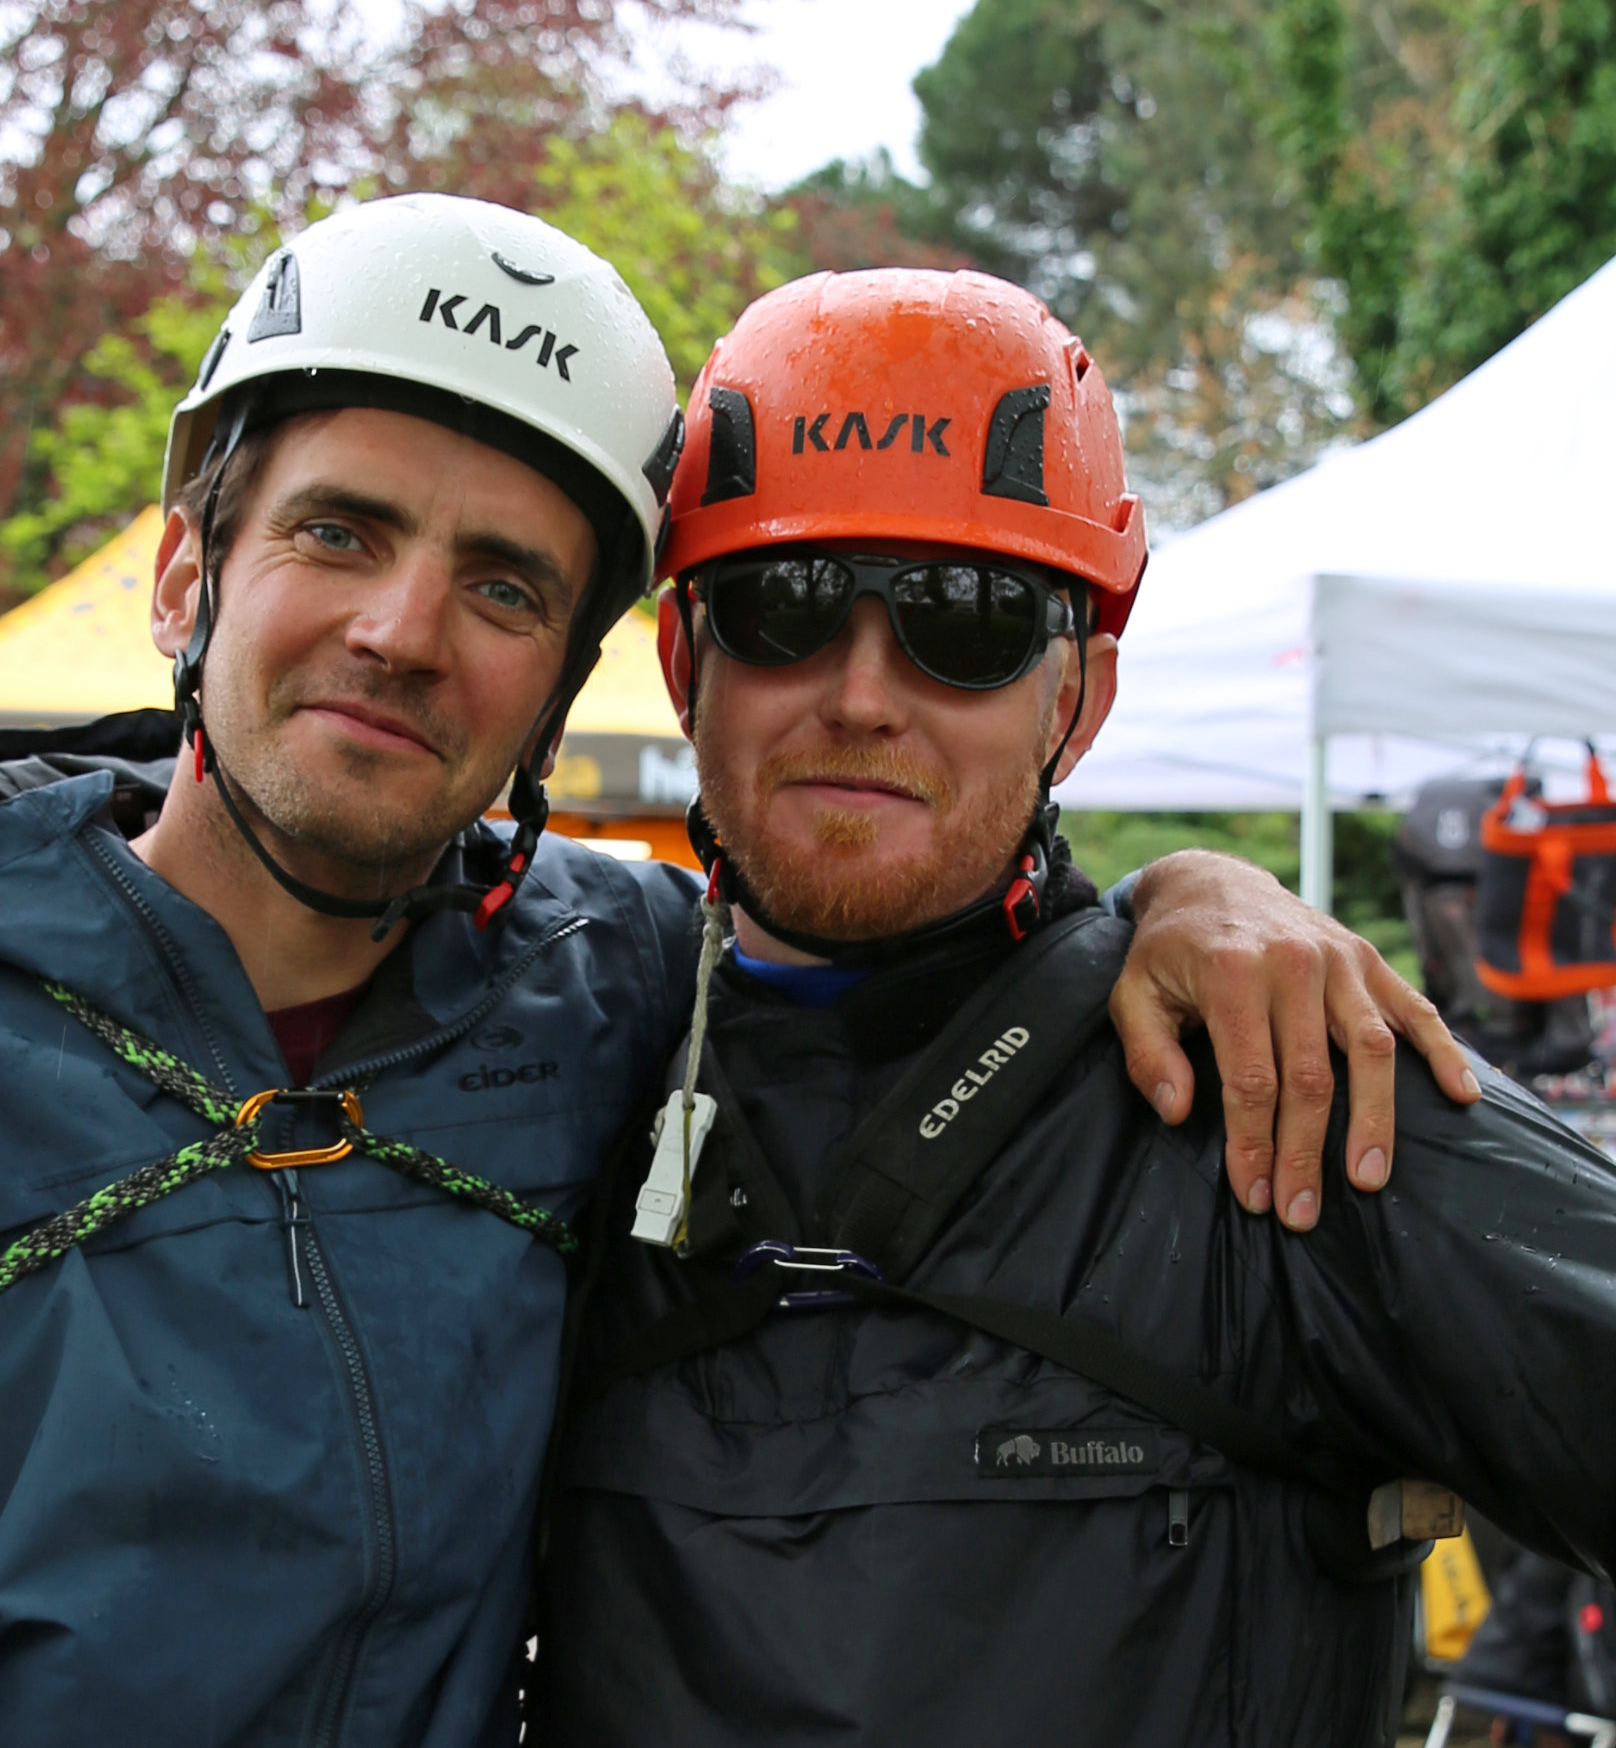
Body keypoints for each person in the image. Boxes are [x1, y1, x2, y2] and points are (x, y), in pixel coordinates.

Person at [0, 203, 1471, 1748]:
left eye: (505, 586)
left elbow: (901, 913)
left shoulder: (618, 988)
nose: (404, 629)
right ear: (187, 575)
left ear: (566, 685)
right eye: (339, 529)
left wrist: (1198, 899)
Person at [527, 268, 1616, 1747]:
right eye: (782, 609)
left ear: (1077, 702)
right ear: (683, 661)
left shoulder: (1287, 1092)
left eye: (963, 622)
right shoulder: (535, 1058)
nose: (860, 692)